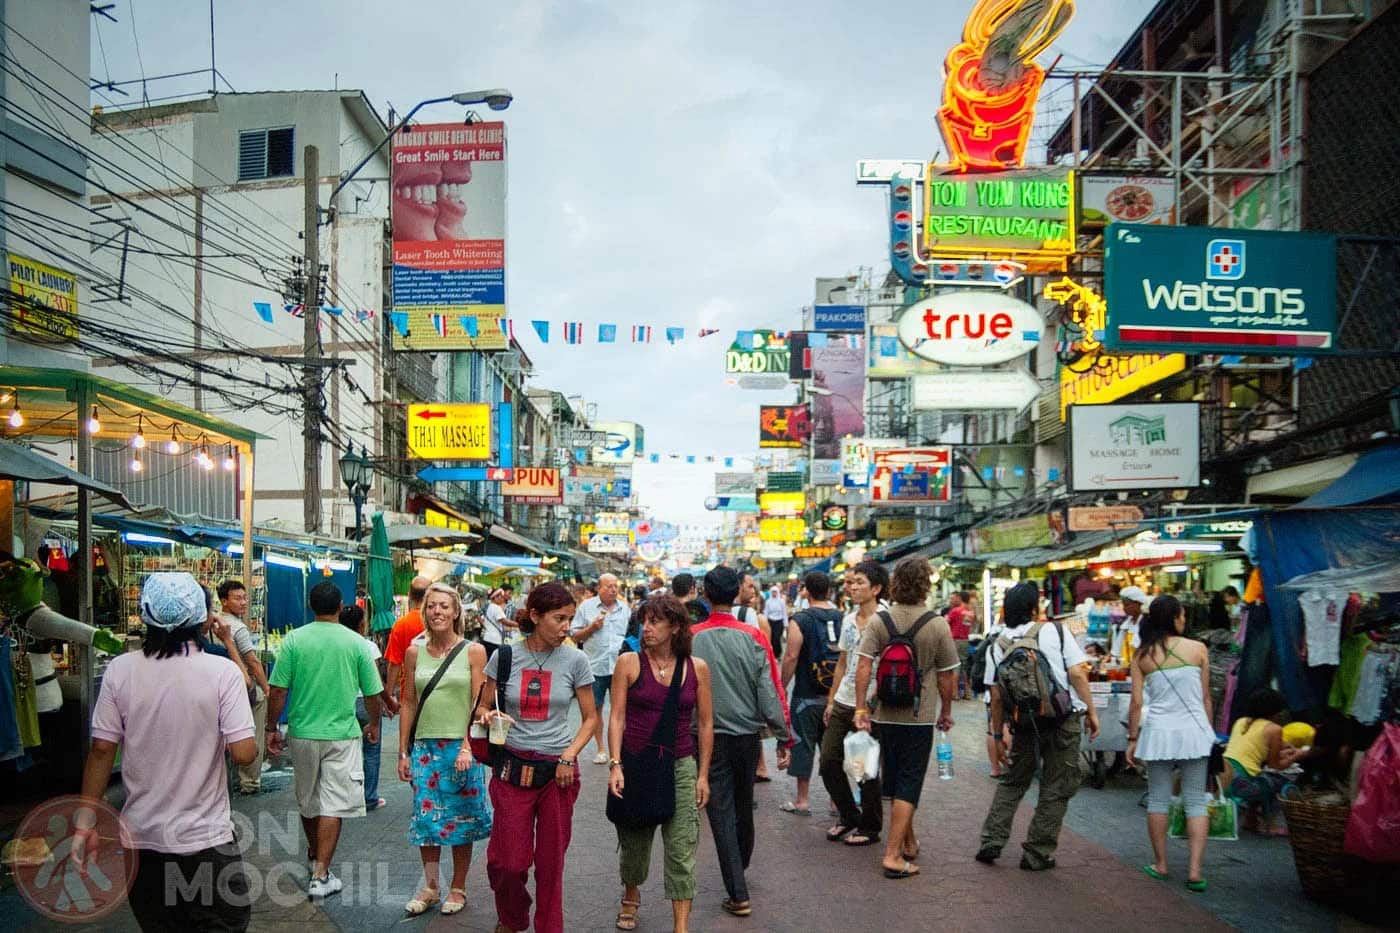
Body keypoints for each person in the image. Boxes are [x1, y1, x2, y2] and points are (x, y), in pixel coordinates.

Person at [77, 572, 256, 931]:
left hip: (142, 842)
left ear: (145, 616)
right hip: (205, 840)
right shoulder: (223, 673)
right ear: (204, 619)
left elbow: (101, 750)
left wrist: (85, 823)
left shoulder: (120, 670)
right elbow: (244, 754)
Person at [478, 582, 598, 933]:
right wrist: (488, 716)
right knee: (507, 864)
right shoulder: (505, 657)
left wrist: (569, 756)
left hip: (557, 773)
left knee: (550, 864)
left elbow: (591, 717)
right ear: (535, 616)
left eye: (570, 619)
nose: (567, 627)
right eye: (559, 619)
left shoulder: (576, 659)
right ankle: (513, 918)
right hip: (512, 770)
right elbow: (484, 706)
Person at [266, 582, 384, 898]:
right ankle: (320, 875)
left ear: (310, 604)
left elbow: (278, 690)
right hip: (342, 735)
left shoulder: (294, 640)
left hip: (302, 733)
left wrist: (270, 727)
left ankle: (315, 856)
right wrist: (373, 722)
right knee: (334, 803)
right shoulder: (357, 643)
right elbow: (373, 693)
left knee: (309, 800)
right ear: (340, 605)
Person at [608, 594, 714, 933]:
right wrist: (615, 764)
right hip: (636, 763)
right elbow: (617, 717)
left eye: (655, 621)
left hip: (680, 764)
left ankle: (680, 926)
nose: (646, 628)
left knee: (682, 845)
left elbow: (707, 723)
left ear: (676, 627)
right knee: (636, 842)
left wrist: (702, 775)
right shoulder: (629, 662)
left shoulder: (697, 668)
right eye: (644, 620)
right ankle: (631, 894)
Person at [977, 581, 1100, 871]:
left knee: (1013, 781)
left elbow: (995, 696)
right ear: (1035, 608)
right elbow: (1077, 675)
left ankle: (991, 841)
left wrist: (997, 734)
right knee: (1057, 786)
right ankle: (1036, 852)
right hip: (1061, 719)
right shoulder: (1054, 631)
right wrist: (1091, 711)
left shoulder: (997, 645)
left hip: (1023, 723)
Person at [691, 566, 791, 918]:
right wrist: (783, 735)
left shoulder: (691, 637)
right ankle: (739, 870)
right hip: (747, 737)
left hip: (706, 737)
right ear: (736, 594)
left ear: (705, 594)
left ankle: (738, 889)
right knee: (742, 803)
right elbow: (770, 690)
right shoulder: (753, 636)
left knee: (720, 810)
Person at [853, 557, 960, 879]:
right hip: (919, 716)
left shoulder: (880, 621)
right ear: (926, 585)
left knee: (895, 781)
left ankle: (908, 841)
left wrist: (860, 708)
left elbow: (863, 666)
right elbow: (947, 678)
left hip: (884, 714)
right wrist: (946, 712)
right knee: (909, 785)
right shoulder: (937, 624)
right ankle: (893, 854)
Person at [397, 583, 492, 916]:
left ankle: (458, 886)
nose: (437, 612)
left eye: (444, 606)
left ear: (456, 613)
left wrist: (469, 745)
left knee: (461, 818)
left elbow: (479, 703)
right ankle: (431, 886)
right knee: (427, 820)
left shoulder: (473, 652)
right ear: (425, 612)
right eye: (432, 606)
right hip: (424, 747)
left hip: (461, 747)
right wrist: (403, 752)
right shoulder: (414, 652)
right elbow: (408, 701)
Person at [1125, 595, 1216, 892]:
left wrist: (1132, 739)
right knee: (1195, 800)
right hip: (1194, 732)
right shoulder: (1198, 649)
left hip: (1158, 733)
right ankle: (1195, 871)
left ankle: (1161, 864)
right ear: (1175, 618)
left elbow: (1137, 703)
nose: (1185, 619)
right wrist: (1209, 732)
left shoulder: (1141, 656)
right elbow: (1205, 699)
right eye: (1182, 615)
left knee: (1158, 799)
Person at [821, 560, 888, 846]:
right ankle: (849, 815)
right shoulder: (848, 619)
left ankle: (870, 827)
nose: (853, 587)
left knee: (863, 766)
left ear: (876, 588)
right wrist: (831, 699)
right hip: (844, 699)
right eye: (851, 582)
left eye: (859, 582)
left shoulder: (887, 620)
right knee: (828, 762)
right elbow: (843, 662)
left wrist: (870, 700)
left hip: (871, 701)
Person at [779, 571, 843, 815]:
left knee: (803, 746)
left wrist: (782, 685)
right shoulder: (843, 617)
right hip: (835, 697)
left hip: (806, 694)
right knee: (834, 750)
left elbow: (792, 655)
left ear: (805, 591)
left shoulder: (801, 619)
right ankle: (836, 801)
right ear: (829, 590)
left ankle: (803, 800)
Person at [570, 572, 632, 765]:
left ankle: (619, 750)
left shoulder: (625, 609)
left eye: (616, 586)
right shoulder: (586, 607)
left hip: (620, 668)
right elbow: (574, 636)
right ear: (599, 588)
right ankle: (600, 749)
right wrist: (592, 628)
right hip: (594, 667)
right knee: (594, 710)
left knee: (621, 709)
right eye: (609, 586)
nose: (613, 589)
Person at [216, 579, 271, 796]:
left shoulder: (210, 623)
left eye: (245, 597)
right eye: (238, 598)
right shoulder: (238, 628)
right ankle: (250, 781)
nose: (244, 602)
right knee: (253, 728)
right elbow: (253, 662)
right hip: (241, 686)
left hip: (217, 686)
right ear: (224, 601)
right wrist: (266, 689)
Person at [1223, 688, 1299, 835]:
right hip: (1240, 783)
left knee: (1258, 776)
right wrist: (1297, 756)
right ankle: (1269, 825)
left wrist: (1284, 748)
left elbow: (1254, 748)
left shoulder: (1241, 722)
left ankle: (1251, 820)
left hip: (1222, 776)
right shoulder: (1274, 729)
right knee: (1279, 781)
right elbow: (1274, 765)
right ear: (1275, 712)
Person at [339, 605, 386, 812]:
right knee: (371, 750)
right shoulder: (369, 646)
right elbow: (374, 681)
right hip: (366, 702)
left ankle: (344, 795)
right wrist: (385, 703)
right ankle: (369, 797)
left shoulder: (338, 645)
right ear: (361, 624)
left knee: (344, 750)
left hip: (344, 701)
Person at [384, 575, 432, 716]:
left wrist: (389, 696)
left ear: (409, 595)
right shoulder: (439, 622)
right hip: (438, 690)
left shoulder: (401, 624)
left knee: (409, 735)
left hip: (410, 692)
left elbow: (394, 664)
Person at [946, 590, 973, 699]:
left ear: (960, 598)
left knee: (955, 667)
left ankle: (955, 693)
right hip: (965, 640)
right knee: (964, 667)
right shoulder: (970, 612)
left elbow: (946, 622)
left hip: (955, 640)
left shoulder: (955, 611)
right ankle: (967, 693)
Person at [1112, 585, 1149, 659]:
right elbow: (1117, 649)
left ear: (1138, 603)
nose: (1124, 608)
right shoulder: (1125, 625)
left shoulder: (1147, 623)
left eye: (1127, 605)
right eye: (1123, 605)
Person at [482, 586, 516, 659]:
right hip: (494, 640)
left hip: (488, 638)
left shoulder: (490, 606)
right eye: (501, 597)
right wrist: (518, 624)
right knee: (494, 661)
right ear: (496, 598)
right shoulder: (496, 608)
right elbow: (505, 621)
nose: (502, 599)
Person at [762, 583, 788, 660]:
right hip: (771, 621)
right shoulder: (768, 602)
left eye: (775, 592)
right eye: (773, 592)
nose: (774, 593)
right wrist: (765, 622)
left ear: (778, 592)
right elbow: (766, 612)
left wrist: (786, 624)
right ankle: (773, 654)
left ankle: (778, 654)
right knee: (772, 638)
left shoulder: (781, 601)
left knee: (777, 638)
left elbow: (784, 612)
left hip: (779, 622)